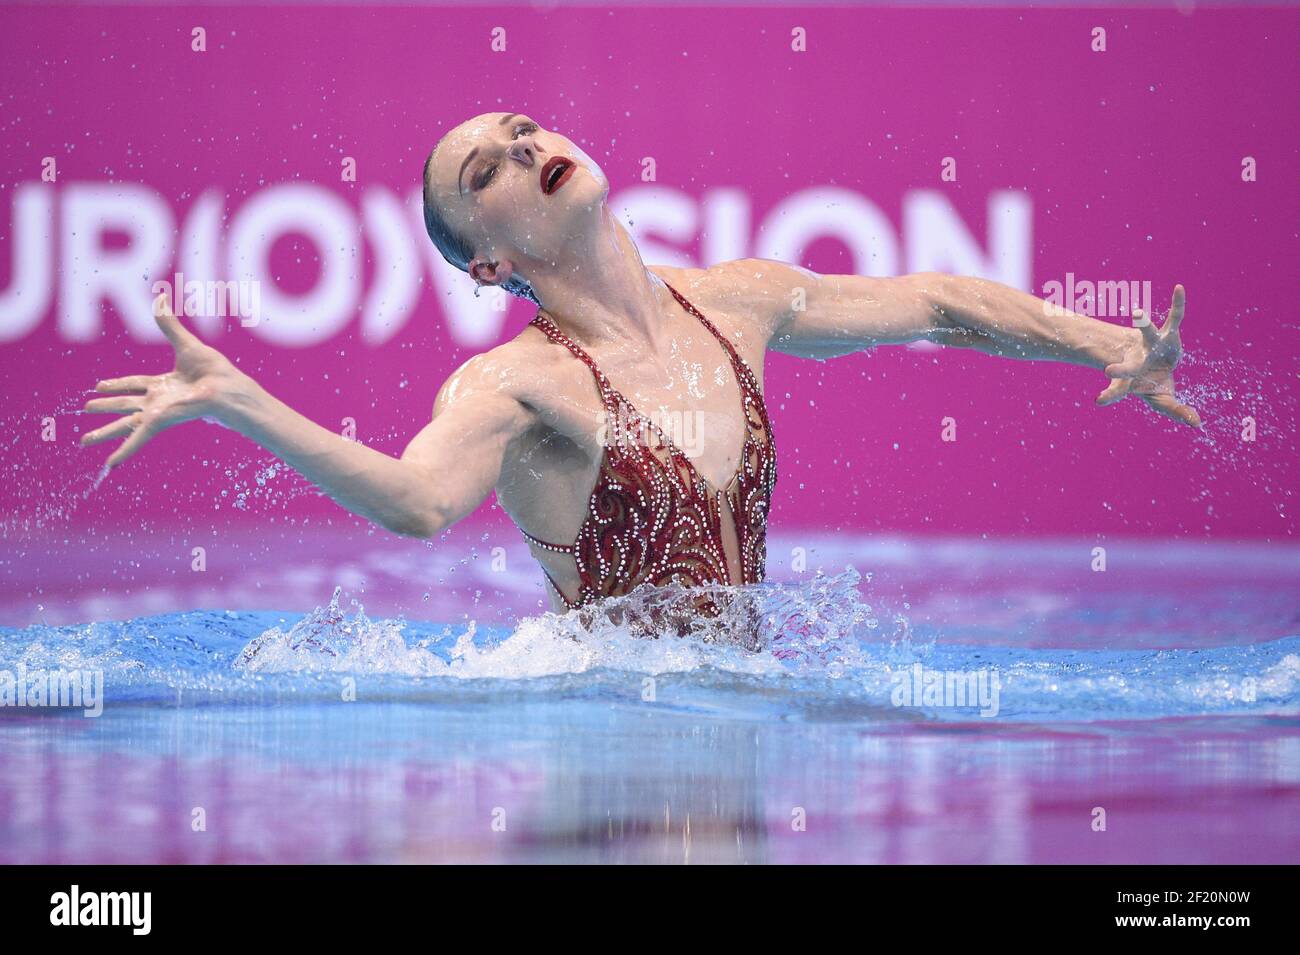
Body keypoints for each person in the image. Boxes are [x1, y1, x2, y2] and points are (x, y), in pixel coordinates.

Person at [82, 111, 1200, 614]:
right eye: (487, 172)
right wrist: (239, 402)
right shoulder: (514, 385)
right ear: (489, 262)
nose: (524, 148)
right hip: (604, 729)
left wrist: (1111, 344)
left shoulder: (740, 302)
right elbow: (418, 506)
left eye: (522, 129)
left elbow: (939, 302)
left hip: (737, 704)